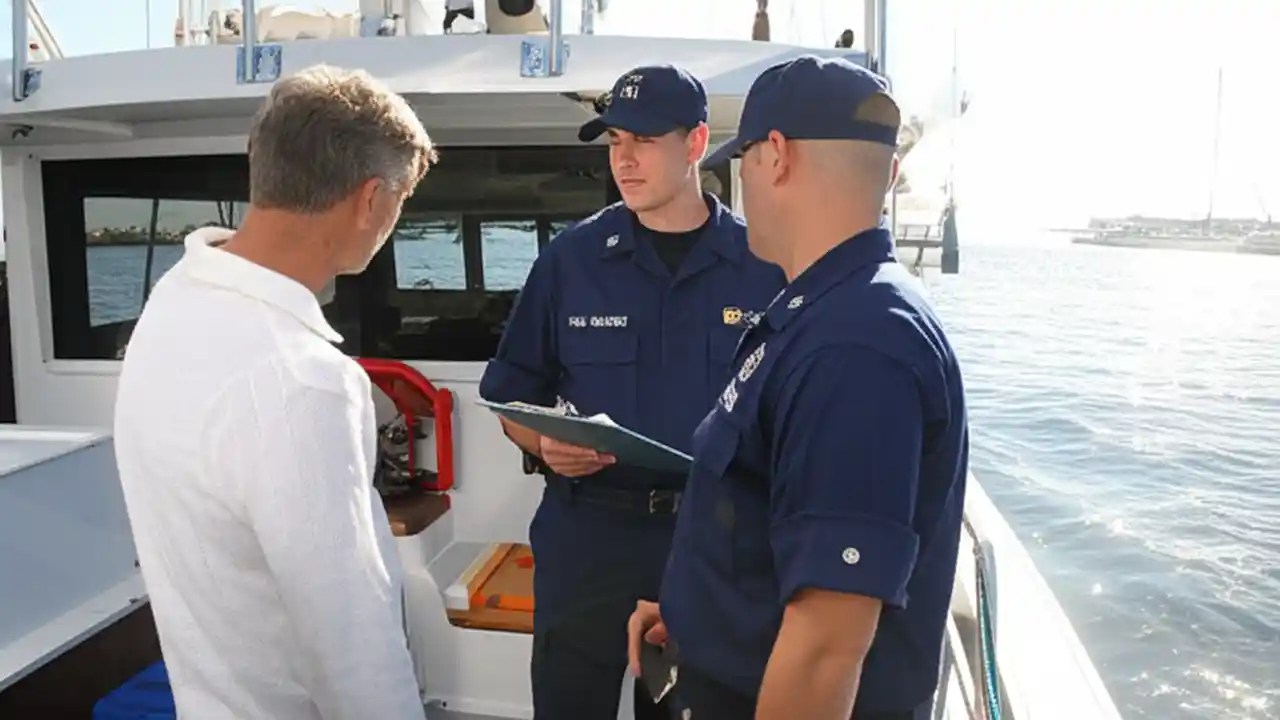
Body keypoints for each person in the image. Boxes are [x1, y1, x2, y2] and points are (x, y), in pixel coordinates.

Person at [627, 55, 970, 720]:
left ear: (776, 157)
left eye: (744, 161)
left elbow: (824, 652)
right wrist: (696, 612)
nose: (741, 181)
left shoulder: (856, 346)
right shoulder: (830, 313)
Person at [112, 65, 437, 720]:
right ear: (371, 199)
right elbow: (352, 644)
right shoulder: (302, 379)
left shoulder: (174, 302)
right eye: (402, 202)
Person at [478, 64, 786, 719]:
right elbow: (508, 393)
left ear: (696, 142)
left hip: (711, 543)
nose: (624, 159)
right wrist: (543, 441)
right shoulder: (572, 261)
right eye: (615, 140)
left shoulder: (762, 265)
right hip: (588, 537)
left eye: (643, 140)